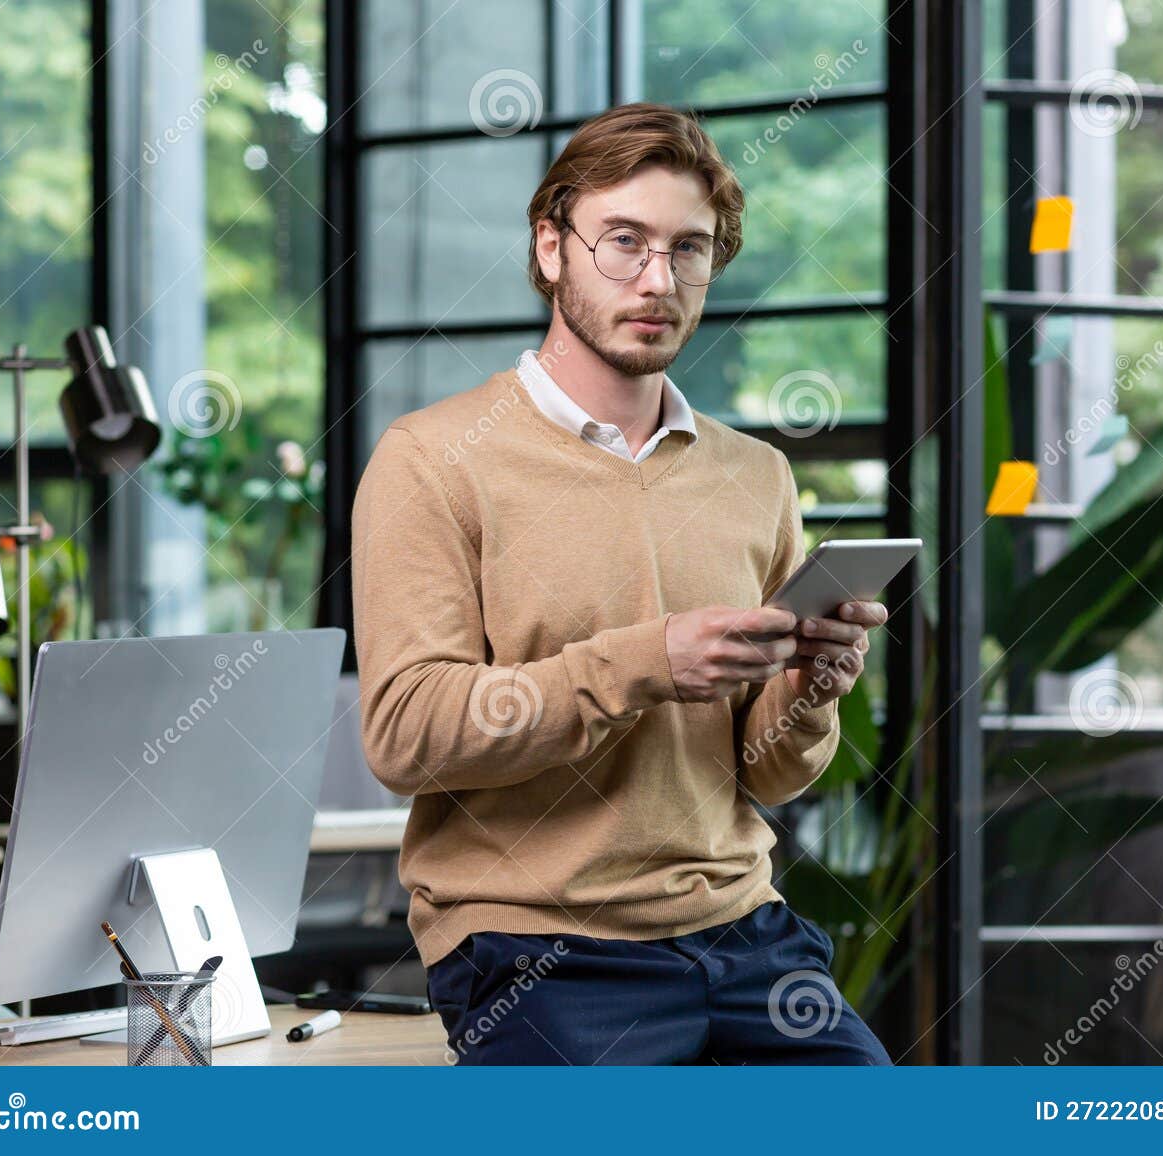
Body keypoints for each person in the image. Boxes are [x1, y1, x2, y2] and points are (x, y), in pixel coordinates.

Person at [351, 102, 891, 1065]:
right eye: (625, 242)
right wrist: (643, 663)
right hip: (536, 944)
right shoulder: (432, 459)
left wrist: (810, 690)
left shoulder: (754, 473)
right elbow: (405, 736)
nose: (658, 279)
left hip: (741, 929)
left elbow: (766, 772)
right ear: (551, 245)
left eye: (690, 249)